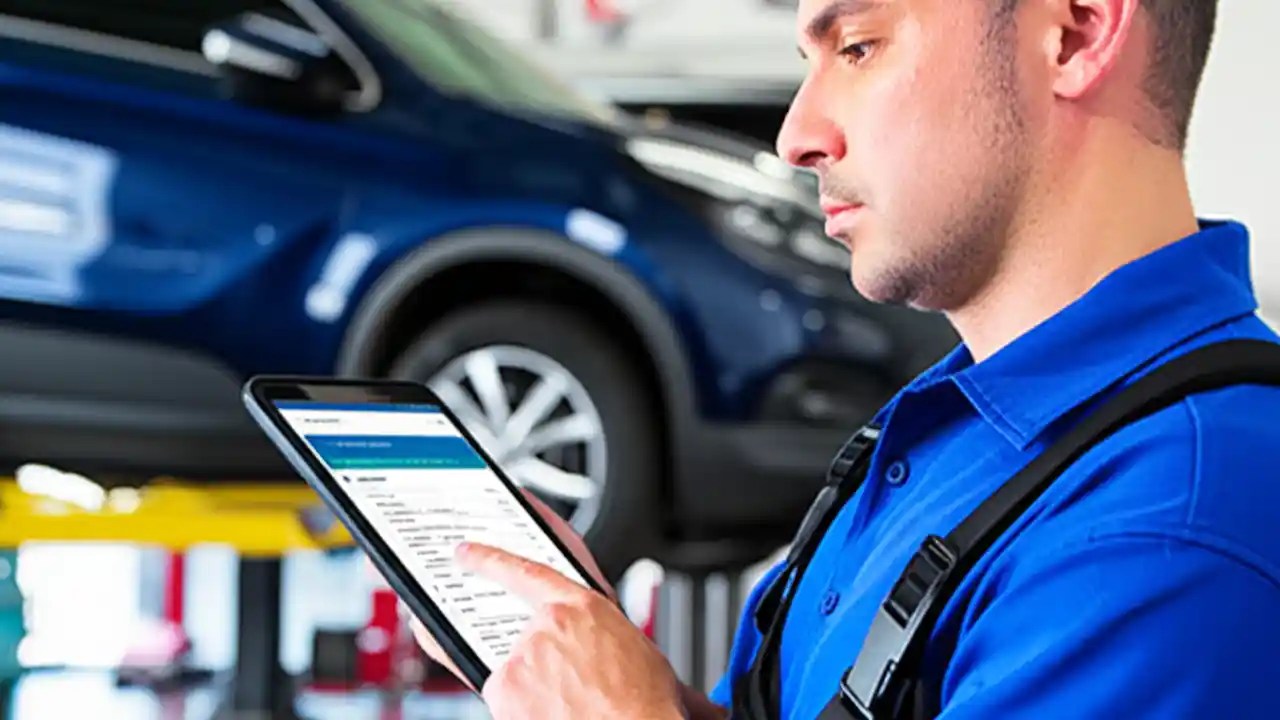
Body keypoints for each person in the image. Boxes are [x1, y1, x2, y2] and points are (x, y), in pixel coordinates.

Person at [411, 0, 1280, 717]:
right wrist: (614, 672)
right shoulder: (957, 436)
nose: (796, 135)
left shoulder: (1167, 529)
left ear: (1078, 31)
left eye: (858, 47)